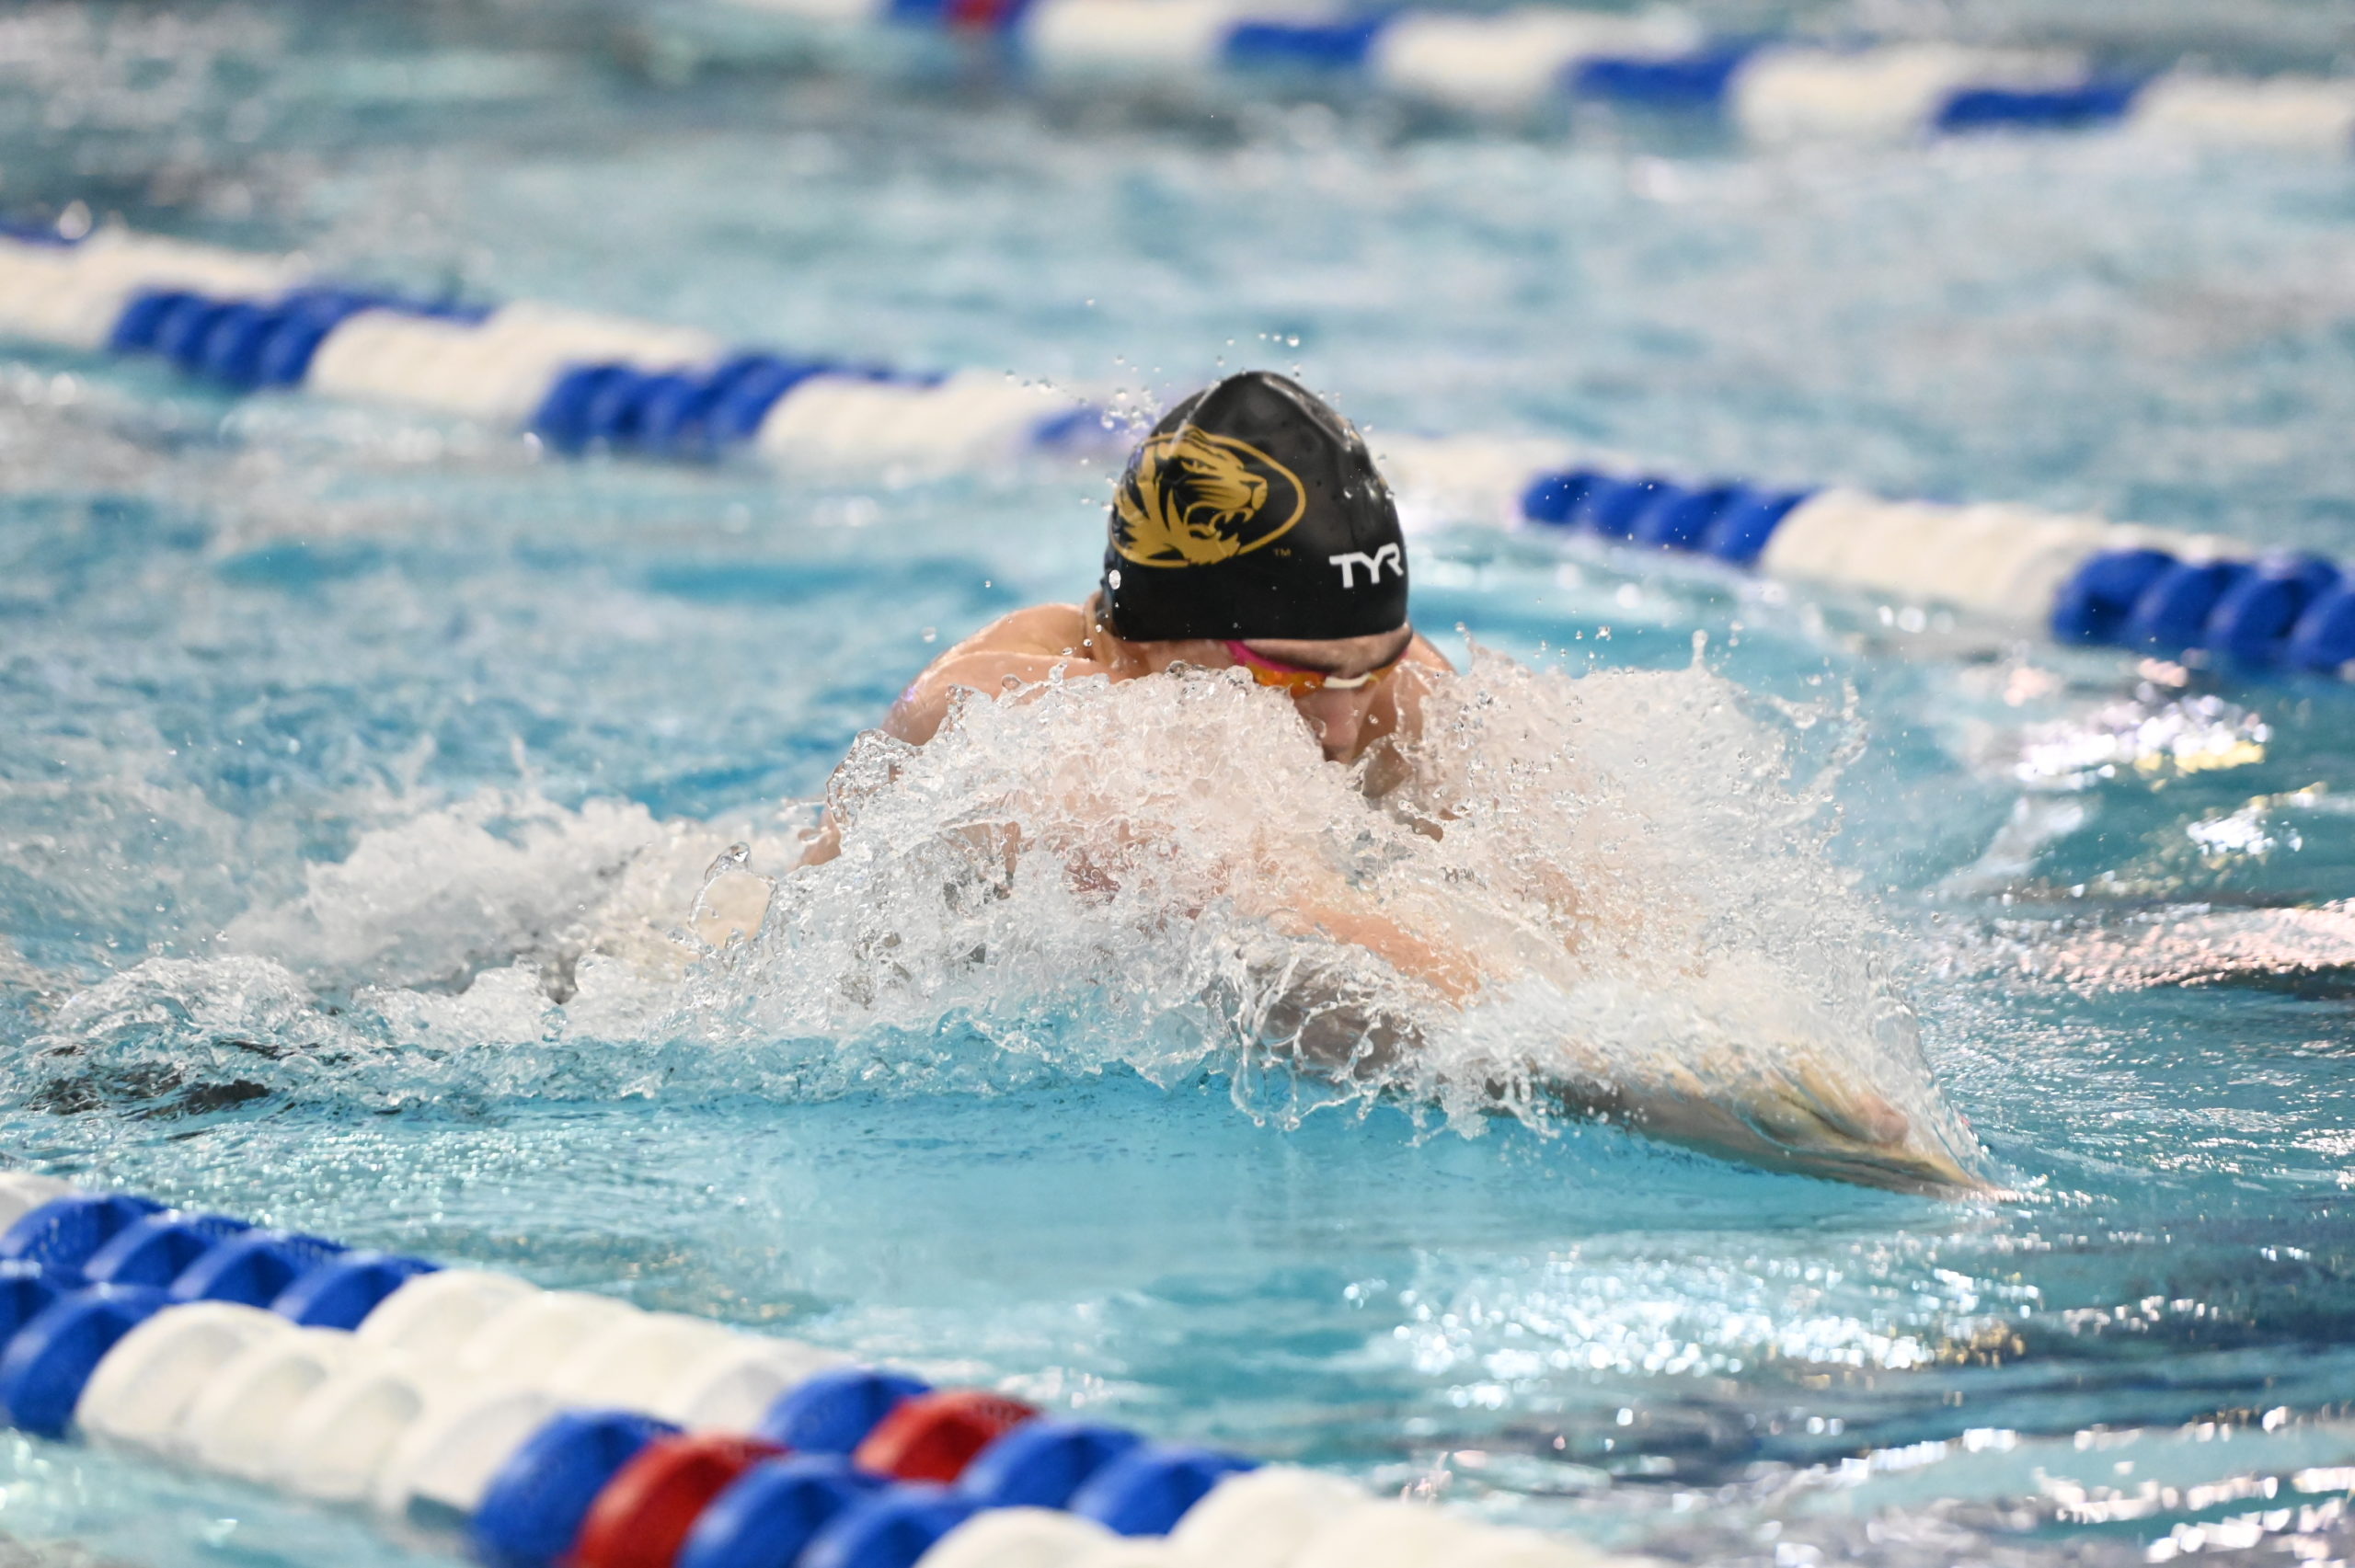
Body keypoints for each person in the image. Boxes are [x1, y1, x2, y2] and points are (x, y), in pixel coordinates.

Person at [796, 371, 1982, 1194]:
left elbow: (1586, 913)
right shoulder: (1032, 716)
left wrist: (1738, 1041)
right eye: (1296, 678)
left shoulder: (1379, 693)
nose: (1348, 722)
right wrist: (1641, 1083)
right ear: (1164, 629)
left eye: (1378, 664)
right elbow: (1277, 945)